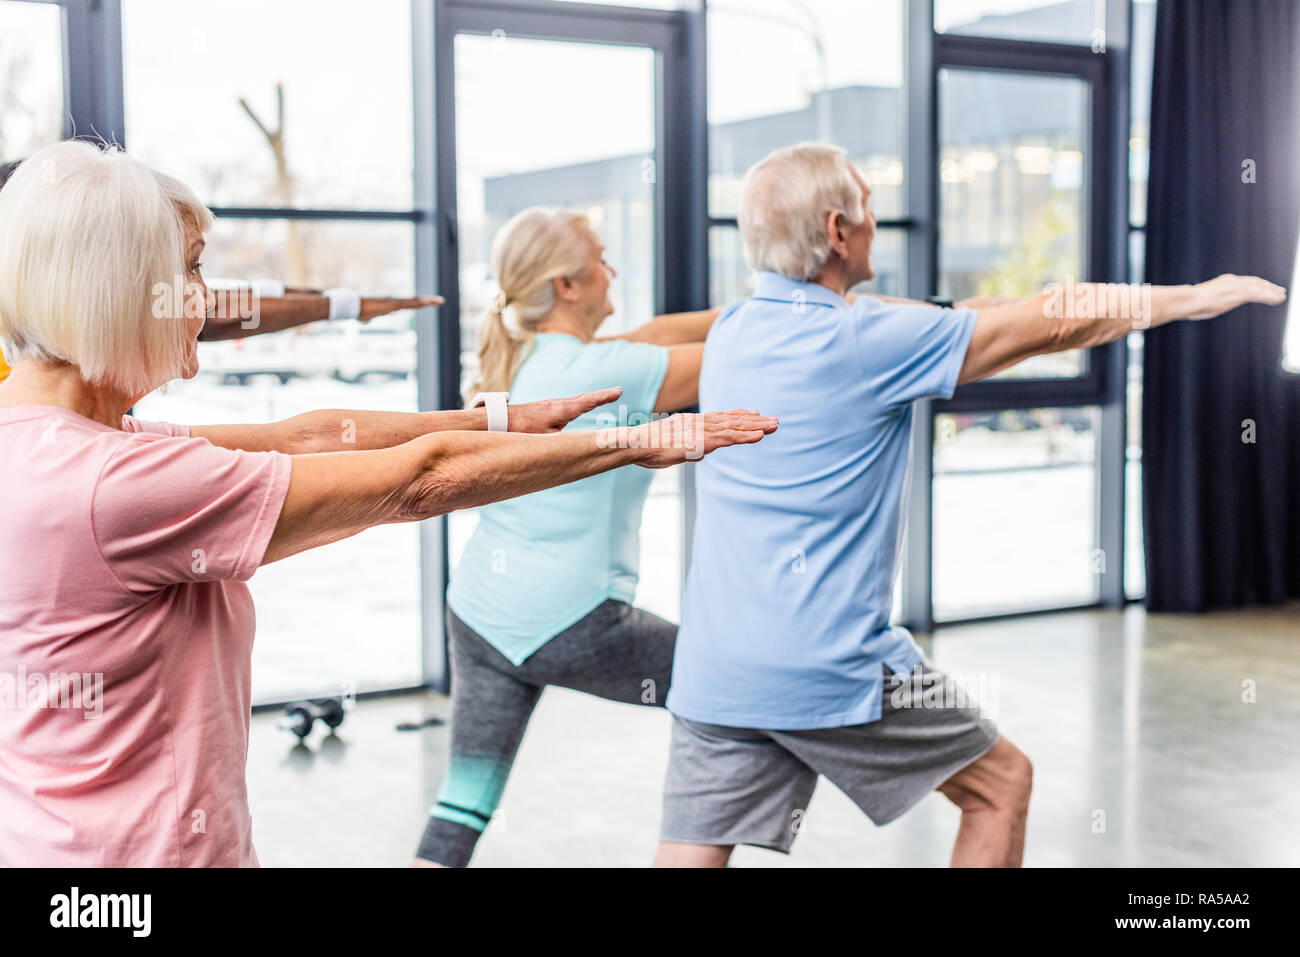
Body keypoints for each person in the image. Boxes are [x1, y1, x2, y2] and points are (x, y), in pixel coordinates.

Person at [0, 140, 777, 867]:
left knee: (463, 805)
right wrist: (637, 441)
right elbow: (416, 481)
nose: (211, 298)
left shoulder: (65, 441)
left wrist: (493, 418)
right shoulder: (115, 485)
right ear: (116, 288)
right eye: (193, 271)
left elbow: (303, 437)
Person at [654, 142, 1287, 868]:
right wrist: (1192, 298)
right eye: (866, 204)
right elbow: (1051, 321)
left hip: (714, 666)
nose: (874, 221)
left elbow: (976, 312)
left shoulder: (734, 330)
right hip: (828, 662)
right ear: (836, 230)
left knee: (690, 853)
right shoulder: (866, 340)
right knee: (1001, 784)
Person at [411, 207, 721, 868]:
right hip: (577, 620)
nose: (614, 271)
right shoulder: (616, 371)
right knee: (733, 687)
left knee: (462, 803)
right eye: (603, 258)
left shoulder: (522, 359)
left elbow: (661, 333)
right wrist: (809, 313)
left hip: (480, 612)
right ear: (568, 286)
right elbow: (749, 354)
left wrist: (757, 311)